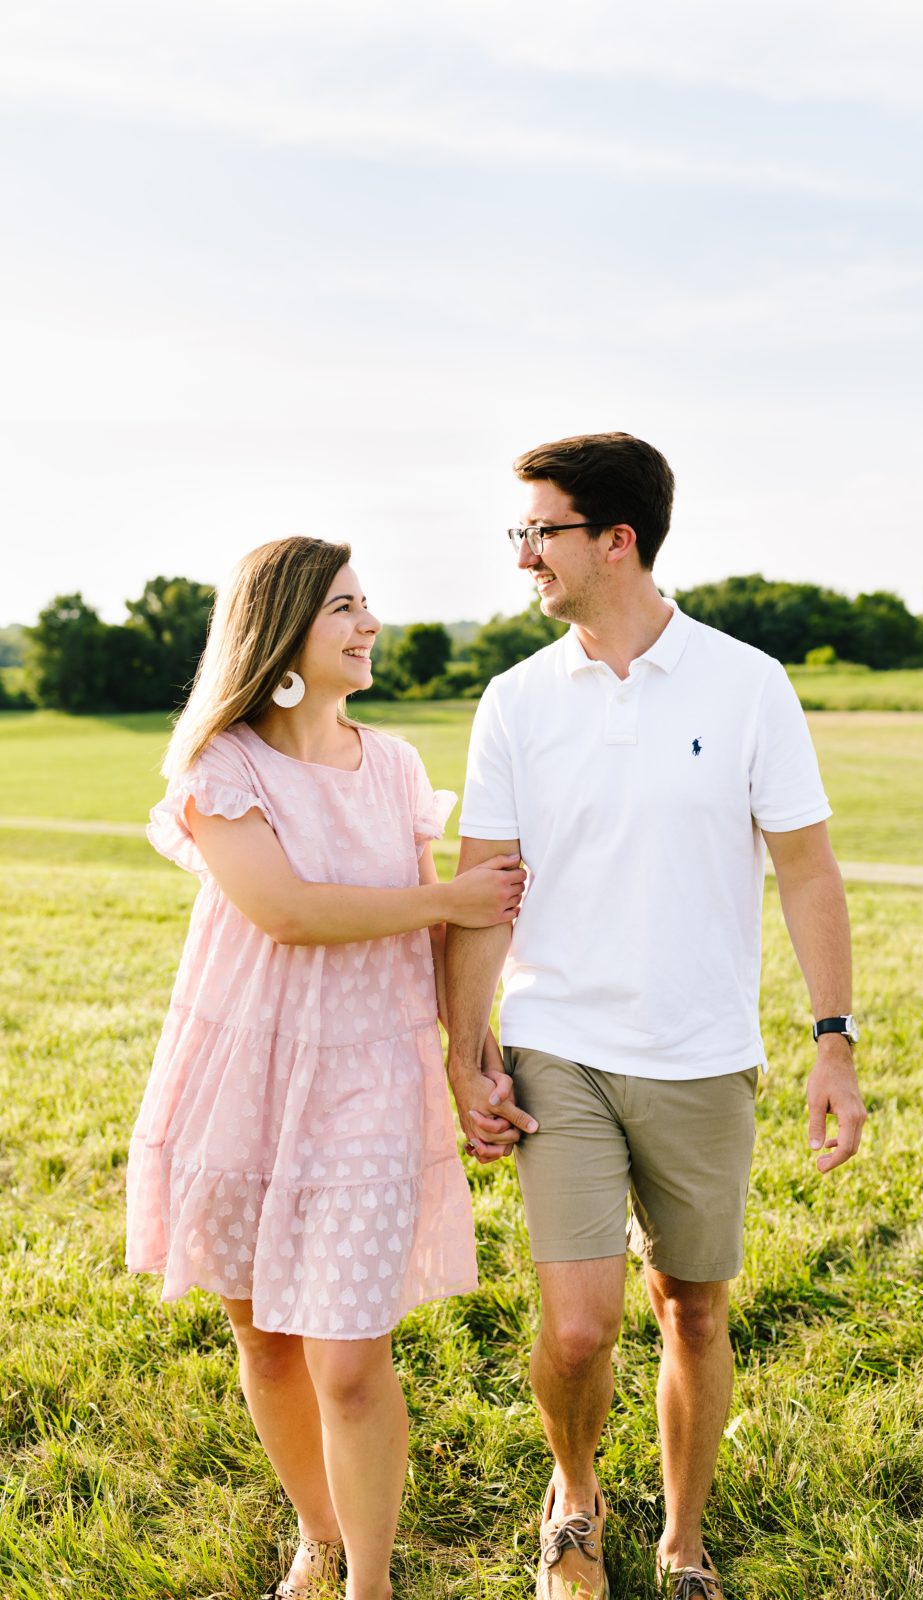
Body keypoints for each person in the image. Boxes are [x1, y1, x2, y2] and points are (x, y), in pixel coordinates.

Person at [445, 434, 867, 1600]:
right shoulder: (514, 700)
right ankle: (573, 1499)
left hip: (701, 1050)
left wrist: (832, 1037)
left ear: (613, 540)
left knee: (691, 1306)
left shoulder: (746, 683)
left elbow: (807, 871)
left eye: (541, 530)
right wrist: (464, 1046)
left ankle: (683, 1537)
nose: (523, 553)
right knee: (578, 1329)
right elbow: (487, 885)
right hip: (558, 1046)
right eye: (519, 531)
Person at [126, 535, 530, 1600]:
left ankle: (371, 1583)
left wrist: (468, 1055)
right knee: (263, 1341)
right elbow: (287, 911)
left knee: (347, 1355)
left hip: (369, 1075)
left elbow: (437, 939)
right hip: (244, 1071)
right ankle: (317, 1533)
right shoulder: (221, 765)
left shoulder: (392, 763)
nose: (369, 624)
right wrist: (445, 897)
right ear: (284, 628)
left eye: (366, 604)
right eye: (344, 607)